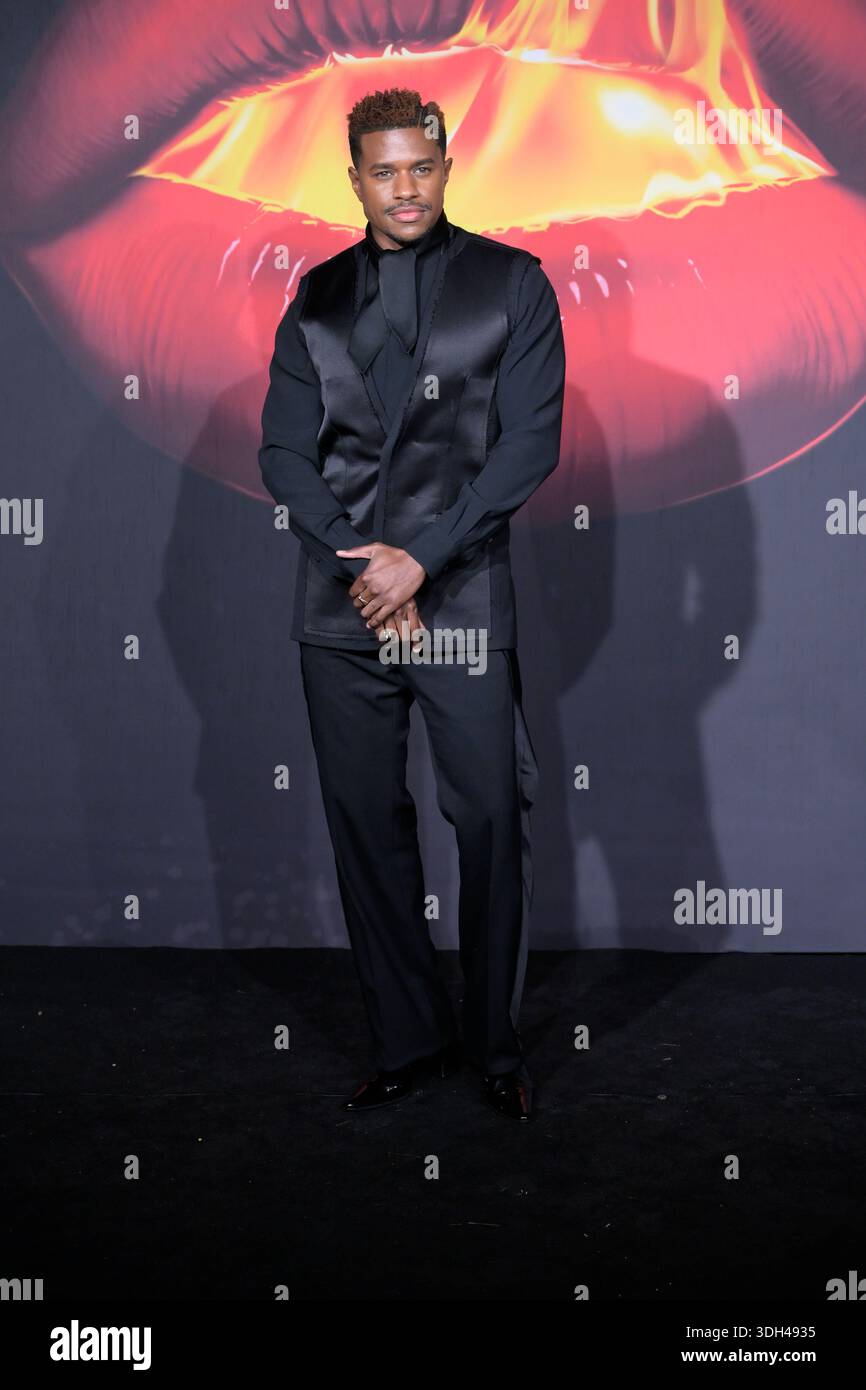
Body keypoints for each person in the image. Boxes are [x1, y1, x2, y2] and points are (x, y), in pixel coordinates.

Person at [258, 86, 565, 1121]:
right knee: (364, 821)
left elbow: (525, 448)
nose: (404, 187)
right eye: (382, 171)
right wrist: (365, 570)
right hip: (340, 610)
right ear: (354, 179)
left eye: (420, 167)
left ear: (446, 165)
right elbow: (283, 452)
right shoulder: (314, 298)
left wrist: (419, 563)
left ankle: (492, 1044)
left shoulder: (512, 285)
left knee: (486, 818)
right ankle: (408, 1036)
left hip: (462, 599)